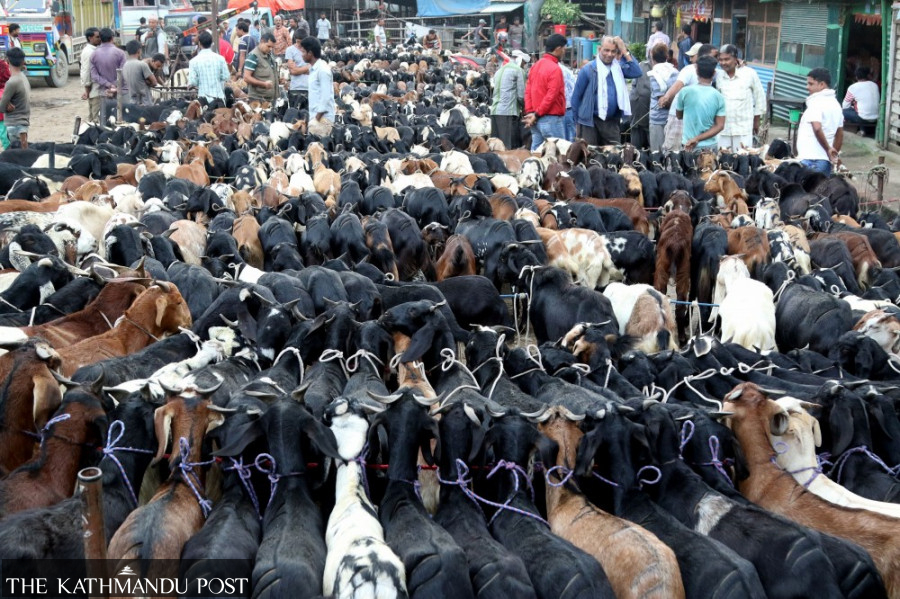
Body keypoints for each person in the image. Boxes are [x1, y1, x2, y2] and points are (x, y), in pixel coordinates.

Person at [571, 35, 643, 146]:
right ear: (599, 49)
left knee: (614, 156)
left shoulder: (619, 68)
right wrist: (578, 124)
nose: (609, 54)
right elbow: (576, 98)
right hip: (590, 123)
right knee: (590, 156)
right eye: (606, 50)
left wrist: (624, 50)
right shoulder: (588, 70)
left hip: (611, 121)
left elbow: (637, 72)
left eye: (613, 51)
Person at [659, 42, 717, 150]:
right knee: (673, 151)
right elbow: (678, 84)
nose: (717, 60)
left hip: (696, 120)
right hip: (679, 118)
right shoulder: (689, 70)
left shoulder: (714, 72)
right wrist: (666, 97)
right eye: (715, 57)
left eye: (692, 56)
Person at [714, 44, 765, 151]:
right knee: (723, 161)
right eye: (721, 60)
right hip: (723, 129)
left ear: (735, 59)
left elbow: (759, 97)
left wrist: (756, 121)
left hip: (743, 128)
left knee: (743, 160)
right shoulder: (718, 76)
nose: (723, 63)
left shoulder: (749, 74)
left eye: (727, 59)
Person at [523, 33, 567, 151]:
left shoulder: (535, 66)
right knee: (558, 155)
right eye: (563, 48)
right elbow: (551, 96)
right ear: (558, 49)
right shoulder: (555, 69)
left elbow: (528, 92)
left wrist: (531, 113)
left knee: (536, 155)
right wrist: (536, 114)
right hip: (550, 118)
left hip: (536, 118)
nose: (564, 51)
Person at [795, 67, 843, 174]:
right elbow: (840, 133)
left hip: (811, 160)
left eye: (811, 84)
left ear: (821, 85)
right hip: (824, 161)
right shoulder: (836, 104)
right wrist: (833, 154)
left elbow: (817, 128)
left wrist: (828, 149)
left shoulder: (816, 102)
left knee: (805, 190)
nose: (807, 87)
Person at [674, 55, 725, 151]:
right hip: (710, 148)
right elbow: (720, 126)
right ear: (714, 73)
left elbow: (679, 115)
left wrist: (695, 138)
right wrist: (697, 139)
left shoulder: (685, 92)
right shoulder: (719, 96)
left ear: (696, 71)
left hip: (688, 145)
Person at [491, 49, 528, 149]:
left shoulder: (499, 71)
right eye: (524, 63)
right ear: (520, 59)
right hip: (508, 113)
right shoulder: (518, 71)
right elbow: (521, 95)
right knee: (508, 146)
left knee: (495, 146)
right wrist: (526, 108)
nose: (524, 66)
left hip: (494, 112)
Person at [646, 42, 678, 152]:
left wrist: (666, 101)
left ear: (651, 56)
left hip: (658, 119)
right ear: (667, 56)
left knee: (657, 153)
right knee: (671, 152)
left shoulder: (654, 74)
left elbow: (661, 100)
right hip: (674, 117)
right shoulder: (675, 72)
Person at [90, 27, 126, 123]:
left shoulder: (94, 54)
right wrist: (114, 85)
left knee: (104, 120)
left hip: (103, 93)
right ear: (112, 38)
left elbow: (94, 75)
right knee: (120, 120)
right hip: (119, 93)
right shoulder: (120, 53)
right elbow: (123, 72)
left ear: (100, 39)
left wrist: (108, 84)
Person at [302, 36, 335, 137]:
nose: (302, 55)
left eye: (303, 52)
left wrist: (317, 119)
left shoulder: (322, 70)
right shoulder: (314, 69)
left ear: (310, 53)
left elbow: (326, 96)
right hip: (316, 118)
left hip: (322, 120)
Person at [0, 48, 29, 148]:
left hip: (14, 125)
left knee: (14, 157)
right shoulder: (23, 77)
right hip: (23, 125)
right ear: (22, 62)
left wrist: (4, 102)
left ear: (8, 61)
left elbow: (1, 107)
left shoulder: (12, 82)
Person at [189, 31, 230, 103]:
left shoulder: (193, 61)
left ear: (199, 43)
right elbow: (226, 77)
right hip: (219, 98)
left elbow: (193, 82)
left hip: (203, 99)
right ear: (211, 43)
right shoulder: (220, 59)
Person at [842, 66, 879, 136]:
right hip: (876, 118)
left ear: (856, 77)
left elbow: (845, 106)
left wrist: (853, 105)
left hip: (863, 119)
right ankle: (863, 131)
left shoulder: (853, 87)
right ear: (868, 76)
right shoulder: (875, 85)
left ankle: (859, 130)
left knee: (842, 111)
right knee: (862, 112)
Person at [243, 32, 279, 103]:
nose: (270, 49)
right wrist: (263, 84)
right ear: (262, 41)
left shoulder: (269, 56)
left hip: (270, 99)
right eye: (268, 46)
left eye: (272, 47)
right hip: (258, 100)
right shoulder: (253, 56)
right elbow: (246, 77)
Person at [628, 50, 652, 150]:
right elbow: (634, 86)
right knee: (635, 147)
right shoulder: (642, 65)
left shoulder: (667, 69)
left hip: (654, 115)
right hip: (638, 111)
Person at [122, 40, 157, 105]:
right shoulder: (142, 64)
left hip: (132, 102)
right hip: (145, 102)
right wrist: (148, 83)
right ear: (139, 51)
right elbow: (154, 82)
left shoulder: (124, 66)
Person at [80, 27, 101, 123]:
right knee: (95, 120)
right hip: (94, 90)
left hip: (94, 90)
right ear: (90, 38)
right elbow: (86, 72)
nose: (99, 39)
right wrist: (87, 90)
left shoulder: (93, 50)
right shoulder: (90, 52)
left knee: (93, 118)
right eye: (97, 37)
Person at [284, 30, 310, 109]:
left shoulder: (310, 50)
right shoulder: (290, 50)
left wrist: (297, 69)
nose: (299, 44)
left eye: (301, 42)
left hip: (309, 87)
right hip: (296, 88)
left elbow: (314, 68)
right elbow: (292, 71)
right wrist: (307, 67)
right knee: (295, 114)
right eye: (297, 42)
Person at [560, 60, 576, 141]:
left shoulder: (558, 70)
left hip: (564, 109)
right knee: (569, 140)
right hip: (569, 109)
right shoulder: (567, 71)